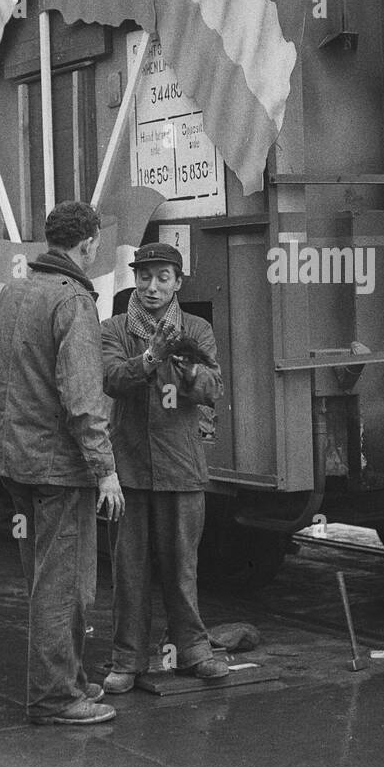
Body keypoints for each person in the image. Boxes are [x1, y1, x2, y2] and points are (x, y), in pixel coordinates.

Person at [0, 201, 123, 726]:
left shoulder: (15, 292)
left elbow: (5, 378)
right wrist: (105, 469)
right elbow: (84, 399)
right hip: (59, 468)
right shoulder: (74, 302)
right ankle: (55, 698)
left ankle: (64, 678)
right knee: (65, 585)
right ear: (88, 244)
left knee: (44, 579)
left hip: (16, 461)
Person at [99, 242, 227, 693]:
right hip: (130, 468)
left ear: (177, 282)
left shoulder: (197, 329)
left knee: (181, 566)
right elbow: (112, 380)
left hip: (181, 467)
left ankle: (193, 652)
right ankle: (127, 661)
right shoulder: (113, 329)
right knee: (128, 569)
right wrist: (151, 356)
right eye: (145, 277)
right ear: (135, 280)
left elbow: (214, 387)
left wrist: (191, 371)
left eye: (163, 278)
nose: (152, 288)